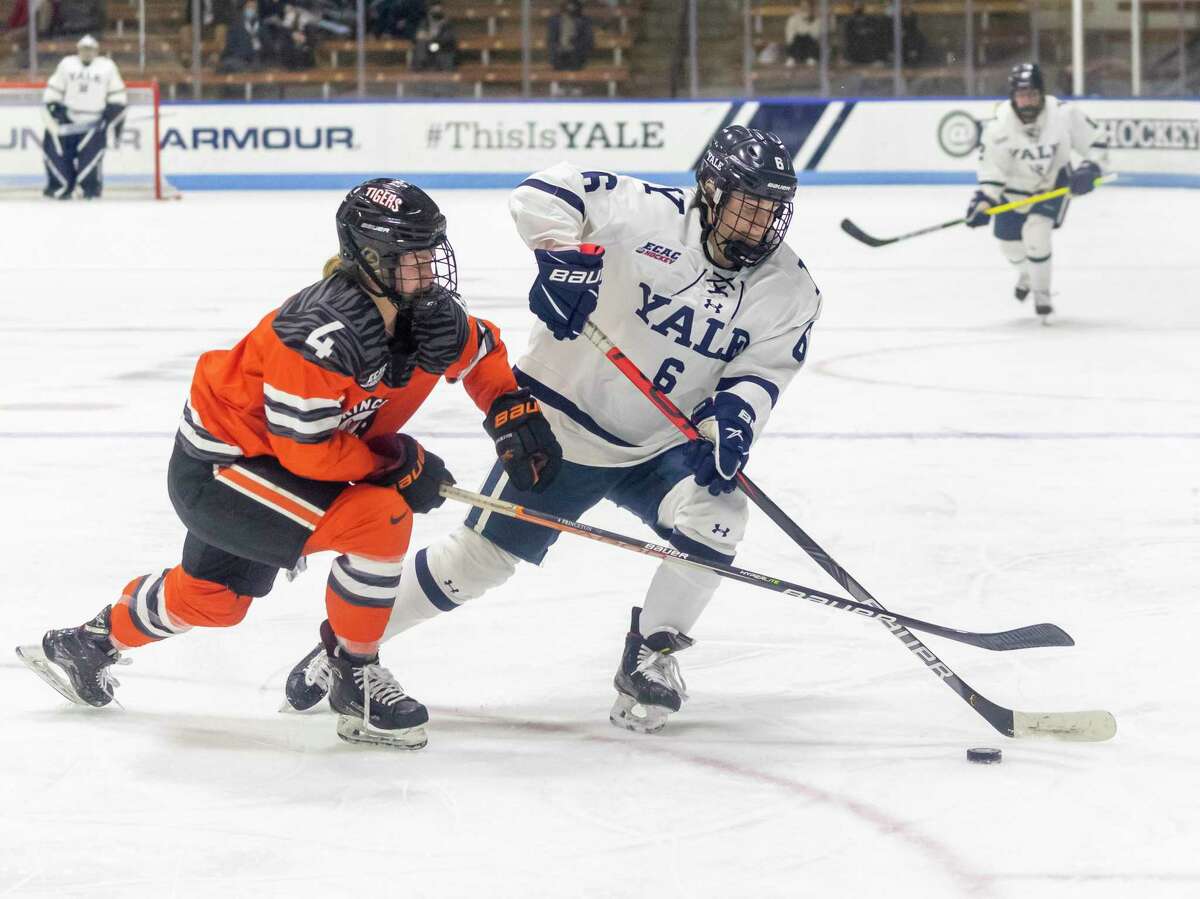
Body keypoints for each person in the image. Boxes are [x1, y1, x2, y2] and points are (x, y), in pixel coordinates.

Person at [283, 126, 823, 737]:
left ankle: (652, 653)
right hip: (561, 427)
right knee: (477, 562)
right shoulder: (644, 213)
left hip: (662, 445)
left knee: (718, 514)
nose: (760, 222)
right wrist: (559, 257)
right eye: (749, 204)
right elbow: (544, 191)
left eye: (773, 209)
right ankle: (344, 647)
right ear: (711, 190)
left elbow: (762, 370)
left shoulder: (791, 290)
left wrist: (733, 421)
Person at [15, 179, 562, 751]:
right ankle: (354, 676)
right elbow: (308, 451)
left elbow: (478, 352)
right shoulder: (318, 334)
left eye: (431, 253)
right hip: (225, 468)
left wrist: (508, 409)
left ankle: (87, 644)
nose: (428, 269)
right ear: (371, 258)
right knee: (380, 516)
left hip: (282, 465)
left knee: (214, 601)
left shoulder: (426, 316)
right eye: (412, 257)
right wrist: (396, 462)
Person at [965, 63, 1108, 322]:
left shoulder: (1063, 114)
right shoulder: (998, 127)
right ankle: (1028, 274)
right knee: (1009, 247)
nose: (1027, 101)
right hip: (1013, 192)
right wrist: (985, 201)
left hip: (1051, 184)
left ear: (1042, 93)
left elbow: (1096, 140)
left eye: (1032, 94)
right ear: (1013, 97)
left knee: (1036, 234)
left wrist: (1091, 167)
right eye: (1021, 95)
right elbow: (993, 171)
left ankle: (1042, 295)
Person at [41, 35, 126, 200]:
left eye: (90, 50)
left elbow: (117, 96)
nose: (87, 53)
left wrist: (111, 113)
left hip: (94, 122)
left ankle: (89, 189)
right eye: (84, 49)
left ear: (97, 51)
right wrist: (55, 108)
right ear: (78, 50)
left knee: (90, 160)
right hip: (69, 121)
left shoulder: (107, 67)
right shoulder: (67, 64)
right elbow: (54, 91)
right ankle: (61, 187)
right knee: (57, 152)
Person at [547, 0, 594, 71]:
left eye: (572, 5)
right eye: (568, 5)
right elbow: (551, 40)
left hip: (577, 56)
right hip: (559, 56)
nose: (570, 7)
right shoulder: (554, 20)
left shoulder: (585, 21)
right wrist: (557, 49)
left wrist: (575, 48)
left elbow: (588, 41)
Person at [218, 0, 263, 73]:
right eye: (249, 7)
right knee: (230, 63)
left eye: (254, 7)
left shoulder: (260, 24)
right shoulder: (236, 24)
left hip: (257, 58)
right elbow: (230, 45)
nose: (251, 9)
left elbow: (267, 44)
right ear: (244, 8)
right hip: (239, 57)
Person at [410, 1, 456, 71]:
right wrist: (424, 36)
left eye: (438, 9)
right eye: (434, 9)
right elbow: (418, 35)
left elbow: (449, 38)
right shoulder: (424, 22)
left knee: (440, 48)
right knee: (420, 44)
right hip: (427, 46)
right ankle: (420, 65)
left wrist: (433, 38)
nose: (436, 11)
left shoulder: (447, 23)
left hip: (441, 46)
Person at [784, 2, 820, 68]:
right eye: (802, 7)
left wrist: (810, 20)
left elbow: (815, 35)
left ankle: (811, 58)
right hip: (797, 46)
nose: (805, 9)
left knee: (809, 37)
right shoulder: (793, 19)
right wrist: (800, 18)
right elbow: (790, 37)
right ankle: (792, 58)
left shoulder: (816, 19)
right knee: (797, 37)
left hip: (810, 46)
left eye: (807, 7)